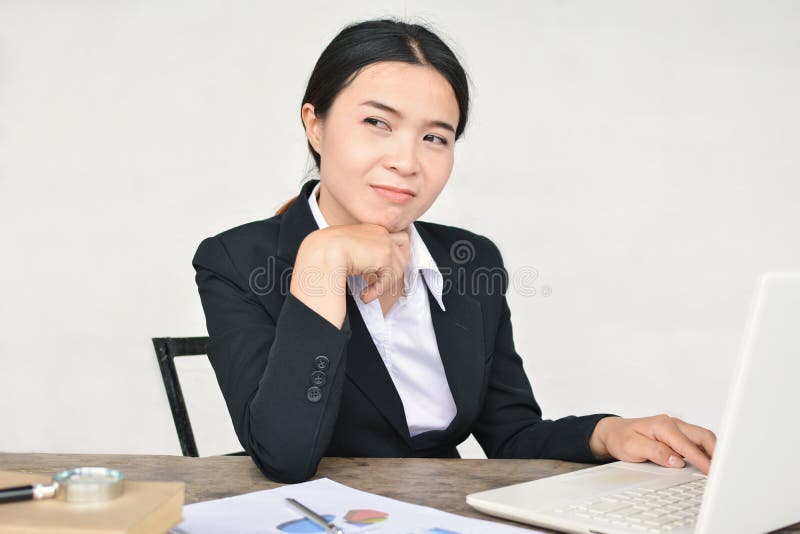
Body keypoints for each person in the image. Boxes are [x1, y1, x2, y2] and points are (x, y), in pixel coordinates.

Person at [192, 18, 716, 484]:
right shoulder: (236, 261)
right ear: (315, 124)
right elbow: (284, 455)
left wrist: (608, 433)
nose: (407, 160)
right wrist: (321, 264)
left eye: (436, 138)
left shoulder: (471, 260)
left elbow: (511, 436)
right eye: (377, 122)